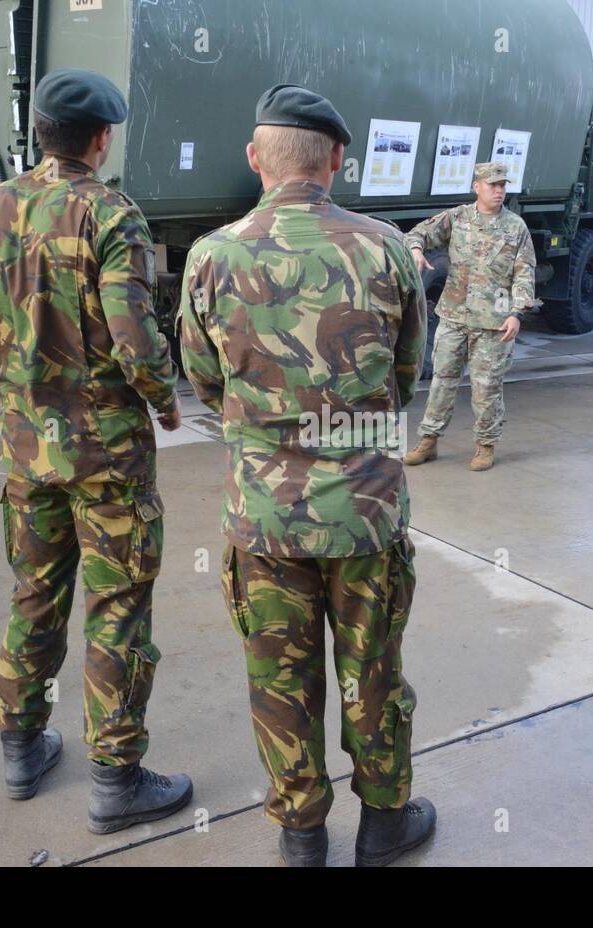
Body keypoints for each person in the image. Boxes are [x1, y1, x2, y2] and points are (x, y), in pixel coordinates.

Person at [179, 83, 433, 867]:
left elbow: (203, 378)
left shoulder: (213, 256)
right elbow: (408, 370)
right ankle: (384, 825)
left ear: (256, 159)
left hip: (265, 518)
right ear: (337, 161)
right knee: (374, 670)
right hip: (363, 516)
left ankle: (300, 838)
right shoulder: (386, 247)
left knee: (279, 681)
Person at [0, 68, 191, 833]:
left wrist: (21, 367)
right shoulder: (110, 213)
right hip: (108, 457)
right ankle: (115, 779)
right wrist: (164, 398)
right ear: (100, 137)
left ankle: (22, 748)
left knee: (34, 593)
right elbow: (133, 335)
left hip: (27, 450)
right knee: (116, 607)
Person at [401, 162, 537, 471]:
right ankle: (428, 441)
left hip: (494, 323)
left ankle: (485, 445)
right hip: (453, 316)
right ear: (477, 186)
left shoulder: (516, 228)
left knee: (486, 387)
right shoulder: (457, 218)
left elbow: (524, 273)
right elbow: (418, 233)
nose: (499, 190)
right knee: (441, 382)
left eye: (503, 185)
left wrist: (517, 313)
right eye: (493, 185)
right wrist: (416, 250)